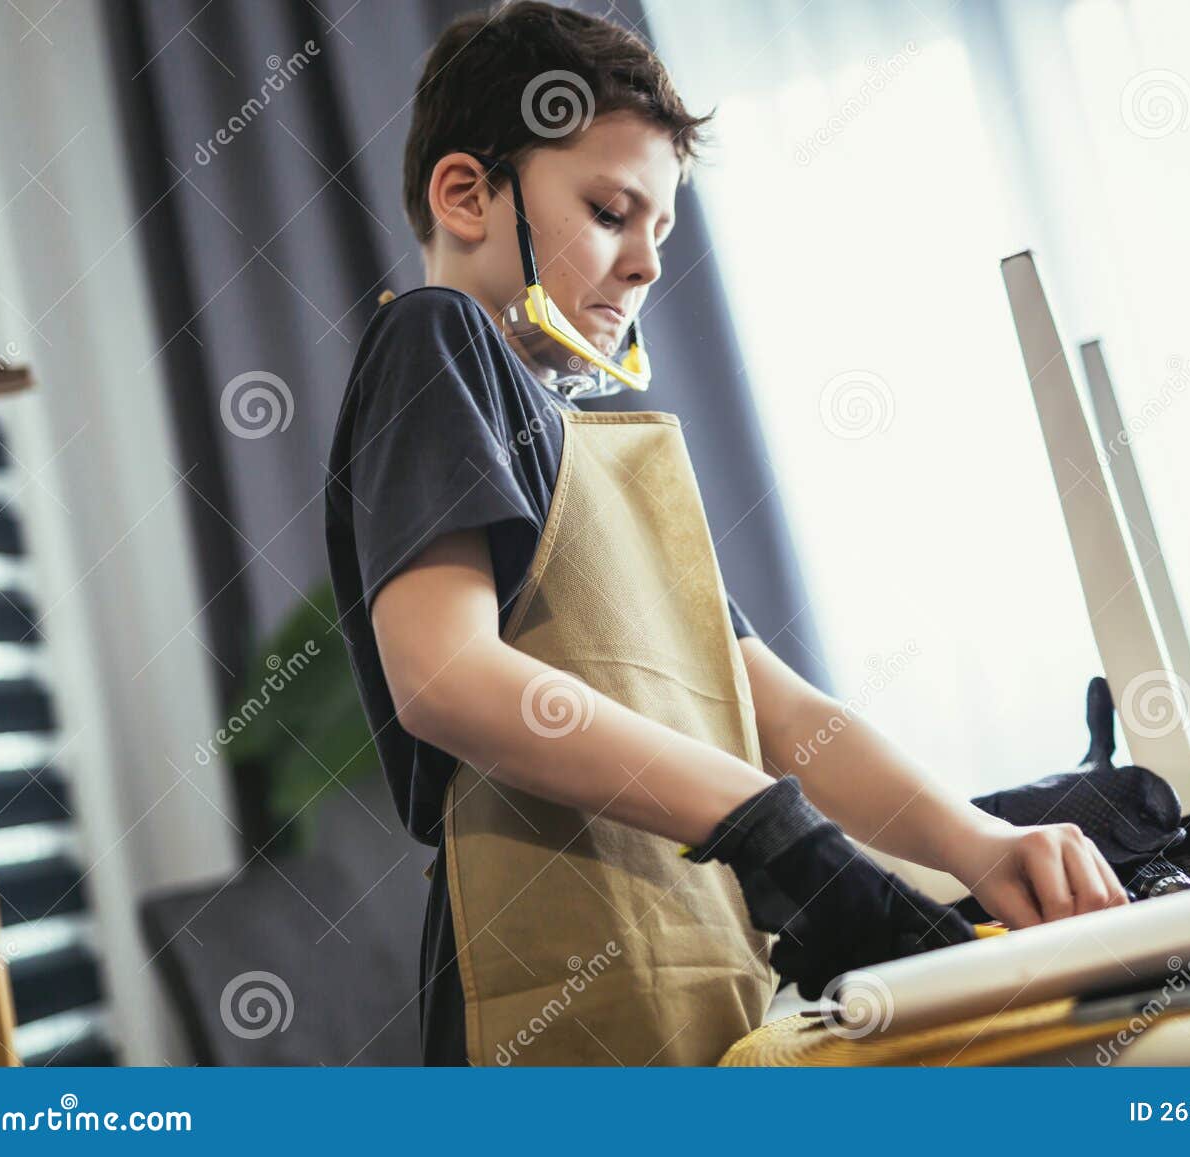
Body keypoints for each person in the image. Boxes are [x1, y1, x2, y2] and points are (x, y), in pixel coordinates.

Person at [324, 0, 1127, 1068]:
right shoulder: (436, 341)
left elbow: (774, 708)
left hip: (672, 948)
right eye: (611, 210)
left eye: (660, 229)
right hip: (540, 974)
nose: (648, 263)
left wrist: (975, 844)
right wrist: (758, 821)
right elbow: (443, 673)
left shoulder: (588, 444)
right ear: (467, 194)